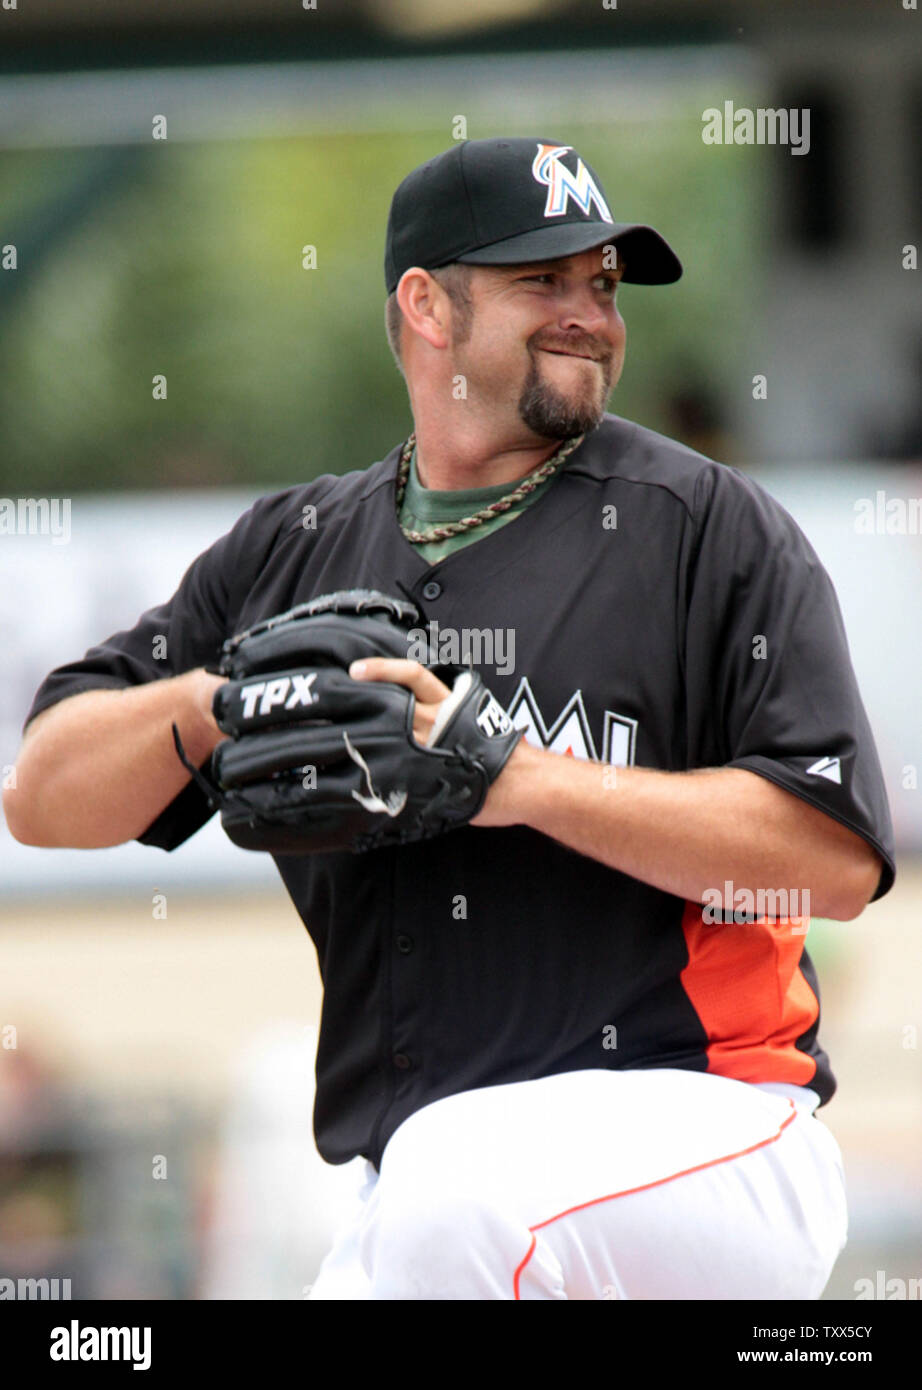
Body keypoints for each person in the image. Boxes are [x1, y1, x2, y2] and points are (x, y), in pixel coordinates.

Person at [5, 137, 895, 1300]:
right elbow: (41, 794)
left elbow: (829, 862)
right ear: (426, 305)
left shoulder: (704, 530)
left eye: (602, 284)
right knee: (427, 1201)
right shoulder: (292, 552)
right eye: (543, 280)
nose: (588, 313)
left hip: (707, 1127)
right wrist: (215, 706)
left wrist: (514, 775)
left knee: (449, 1189)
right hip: (434, 1187)